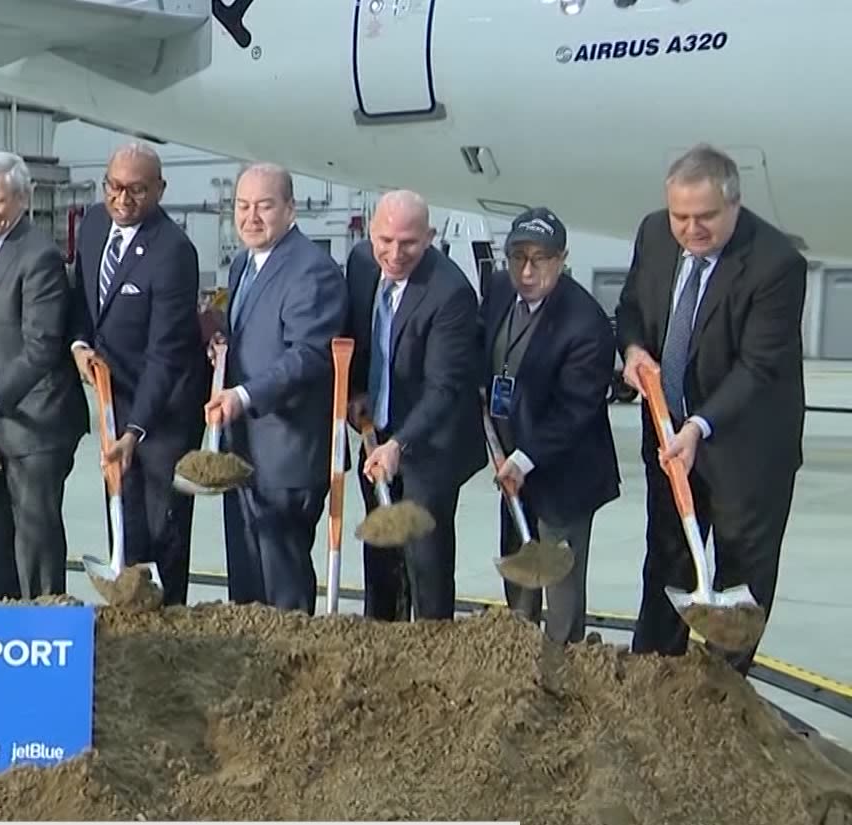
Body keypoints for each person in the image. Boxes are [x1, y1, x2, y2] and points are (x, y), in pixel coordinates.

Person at [616, 144, 808, 672]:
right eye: (682, 216)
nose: (691, 229)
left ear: (734, 206)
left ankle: (723, 697)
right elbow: (632, 307)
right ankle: (653, 676)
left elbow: (758, 366)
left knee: (739, 577)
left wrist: (699, 426)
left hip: (747, 451)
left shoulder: (775, 264)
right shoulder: (655, 234)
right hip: (669, 438)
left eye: (706, 217)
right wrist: (633, 351)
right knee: (667, 561)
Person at [66, 141, 207, 606]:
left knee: (161, 523)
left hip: (163, 411)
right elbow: (83, 298)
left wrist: (135, 430)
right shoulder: (92, 225)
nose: (123, 200)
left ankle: (169, 621)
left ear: (160, 190)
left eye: (138, 190)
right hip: (113, 396)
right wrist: (80, 345)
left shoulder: (173, 252)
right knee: (122, 516)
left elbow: (166, 353)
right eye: (115, 187)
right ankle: (130, 607)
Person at [202, 162, 347, 614]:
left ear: (291, 209)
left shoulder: (312, 271)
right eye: (242, 206)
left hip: (286, 457)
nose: (251, 217)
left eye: (264, 206)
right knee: (246, 584)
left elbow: (307, 355)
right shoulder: (245, 262)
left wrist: (243, 396)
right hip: (242, 451)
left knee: (282, 592)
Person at [343, 189, 486, 622]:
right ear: (371, 233)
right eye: (385, 240)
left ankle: (432, 640)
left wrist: (400, 445)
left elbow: (444, 387)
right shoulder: (362, 263)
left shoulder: (450, 293)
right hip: (379, 428)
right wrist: (355, 392)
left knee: (426, 559)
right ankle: (382, 635)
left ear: (430, 237)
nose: (394, 253)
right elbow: (359, 334)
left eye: (408, 243)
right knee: (381, 545)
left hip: (433, 444)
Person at [480, 208, 620, 644]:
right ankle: (522, 651)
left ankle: (564, 661)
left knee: (560, 582)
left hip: (564, 473)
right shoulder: (500, 290)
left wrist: (523, 459)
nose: (527, 270)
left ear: (561, 259)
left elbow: (574, 411)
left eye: (540, 258)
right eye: (517, 256)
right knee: (519, 564)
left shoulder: (586, 323)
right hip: (512, 464)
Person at [0, 150, 86, 602]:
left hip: (38, 421)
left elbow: (41, 347)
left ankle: (44, 631)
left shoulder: (40, 256)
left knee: (35, 539)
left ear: (23, 199)